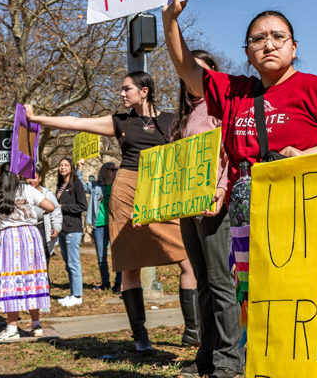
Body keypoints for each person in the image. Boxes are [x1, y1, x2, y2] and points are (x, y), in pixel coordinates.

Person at [162, 0, 317, 376]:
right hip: (245, 208)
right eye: (258, 38)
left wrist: (306, 157)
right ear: (247, 52)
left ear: (294, 47)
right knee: (253, 289)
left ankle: (313, 364)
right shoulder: (235, 92)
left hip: (301, 204)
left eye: (278, 36)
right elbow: (188, 70)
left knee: (299, 288)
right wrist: (170, 21)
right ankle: (262, 362)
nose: (268, 44)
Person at [25, 72, 198, 354]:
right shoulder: (120, 122)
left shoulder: (171, 120)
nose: (121, 93)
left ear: (144, 91)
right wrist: (38, 119)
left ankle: (193, 331)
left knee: (187, 259)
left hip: (162, 189)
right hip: (127, 190)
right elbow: (76, 122)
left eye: (126, 89)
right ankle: (140, 337)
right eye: (121, 89)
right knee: (130, 264)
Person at [171, 49, 243, 378]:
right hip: (188, 207)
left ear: (212, 74)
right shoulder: (182, 118)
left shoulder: (219, 110)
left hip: (214, 205)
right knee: (202, 283)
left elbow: (231, 152)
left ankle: (230, 357)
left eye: (200, 71)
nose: (193, 78)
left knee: (220, 281)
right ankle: (207, 353)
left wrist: (221, 190)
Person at [0, 164, 56, 342]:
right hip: (30, 236)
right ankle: (36, 324)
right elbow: (51, 206)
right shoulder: (28, 190)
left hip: (9, 239)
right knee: (32, 279)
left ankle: (12, 327)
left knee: (11, 281)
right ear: (18, 175)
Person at [81, 159, 122, 293]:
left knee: (118, 255)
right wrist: (80, 168)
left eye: (115, 169)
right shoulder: (95, 186)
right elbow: (80, 186)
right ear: (105, 171)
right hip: (99, 225)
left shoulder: (119, 186)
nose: (114, 172)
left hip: (115, 224)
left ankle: (119, 283)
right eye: (111, 169)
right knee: (101, 257)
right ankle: (105, 283)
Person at [54, 157, 87, 307]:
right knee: (68, 263)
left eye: (66, 165)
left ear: (71, 168)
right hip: (62, 228)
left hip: (73, 229)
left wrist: (63, 207)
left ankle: (77, 295)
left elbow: (82, 206)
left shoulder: (76, 184)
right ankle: (72, 292)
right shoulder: (60, 185)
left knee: (74, 263)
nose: (63, 168)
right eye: (61, 165)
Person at [26, 176, 62, 261]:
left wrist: (56, 228)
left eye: (34, 177)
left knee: (43, 260)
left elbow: (56, 212)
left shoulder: (47, 194)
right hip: (27, 229)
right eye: (28, 178)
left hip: (42, 229)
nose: (31, 180)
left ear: (40, 178)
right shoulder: (22, 192)